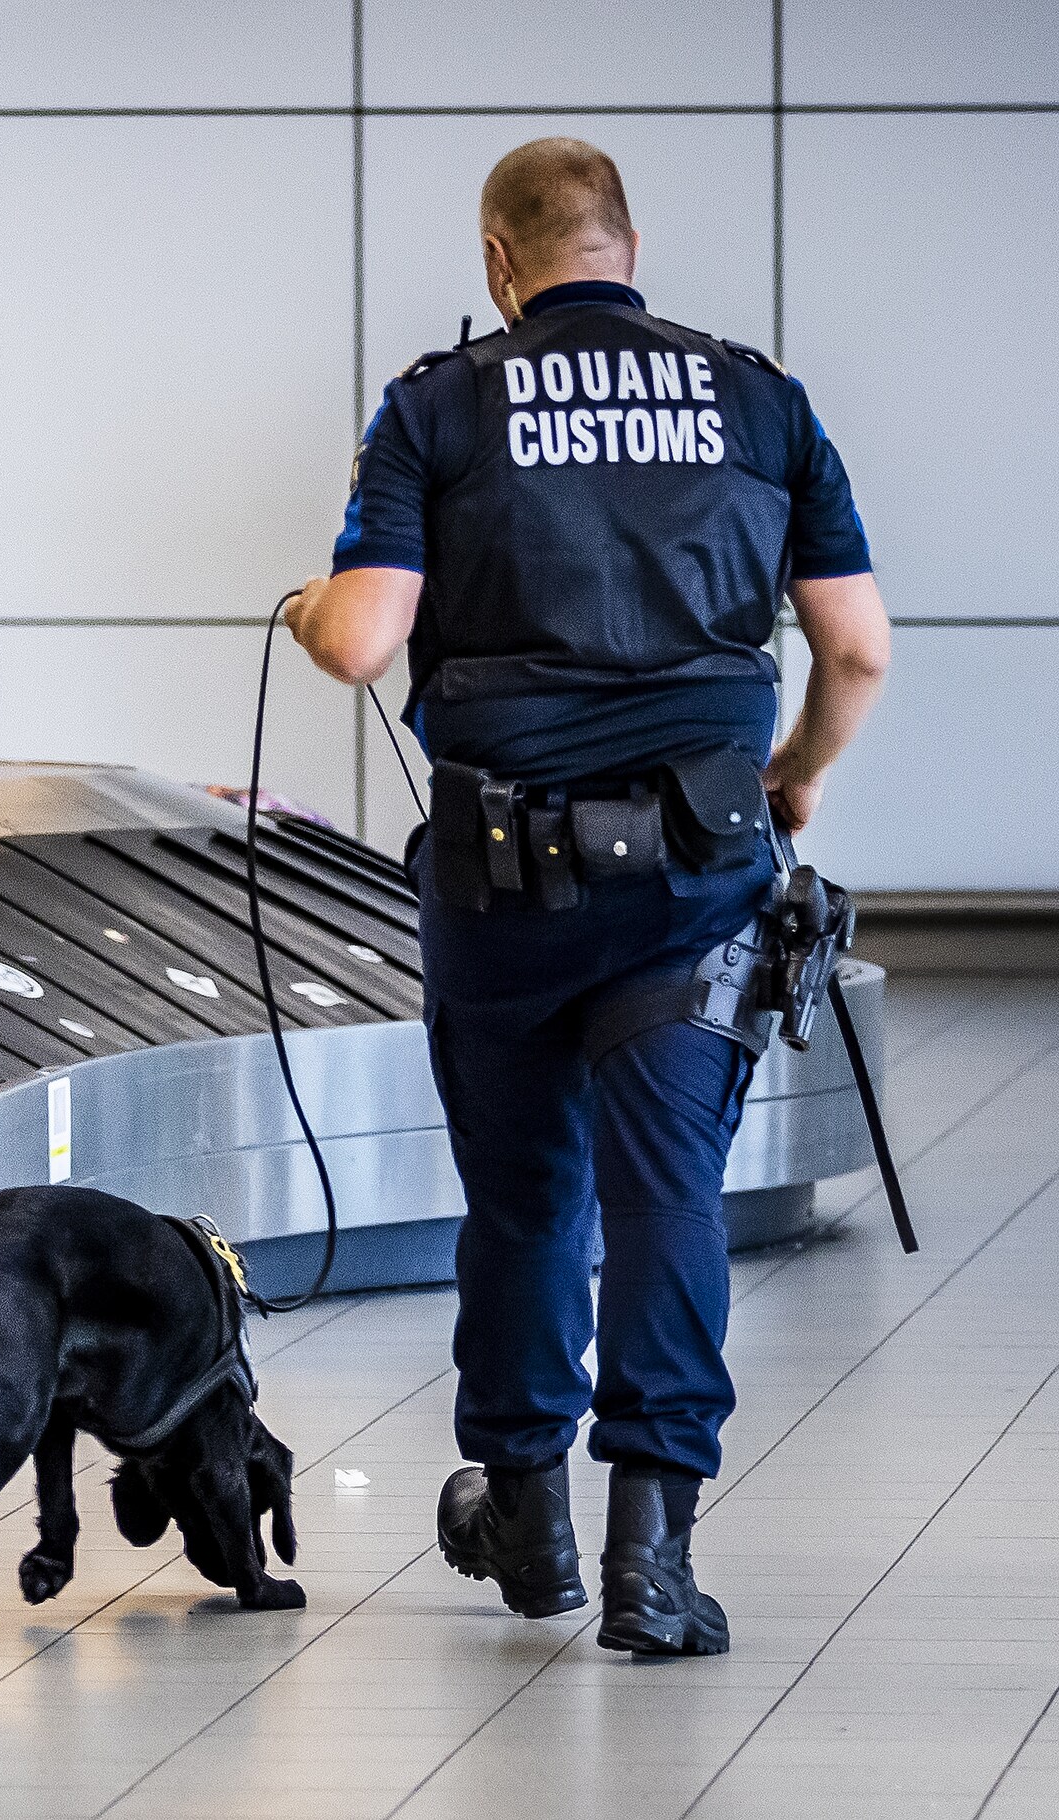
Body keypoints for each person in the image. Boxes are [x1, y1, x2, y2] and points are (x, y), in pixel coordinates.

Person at [286, 137, 889, 1657]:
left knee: (526, 1197)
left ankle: (529, 1518)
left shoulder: (438, 405)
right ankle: (655, 1558)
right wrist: (798, 774)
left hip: (501, 890)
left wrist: (305, 603)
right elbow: (859, 646)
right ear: (628, 244)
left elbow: (362, 642)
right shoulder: (760, 399)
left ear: (501, 261)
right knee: (667, 1188)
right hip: (695, 877)